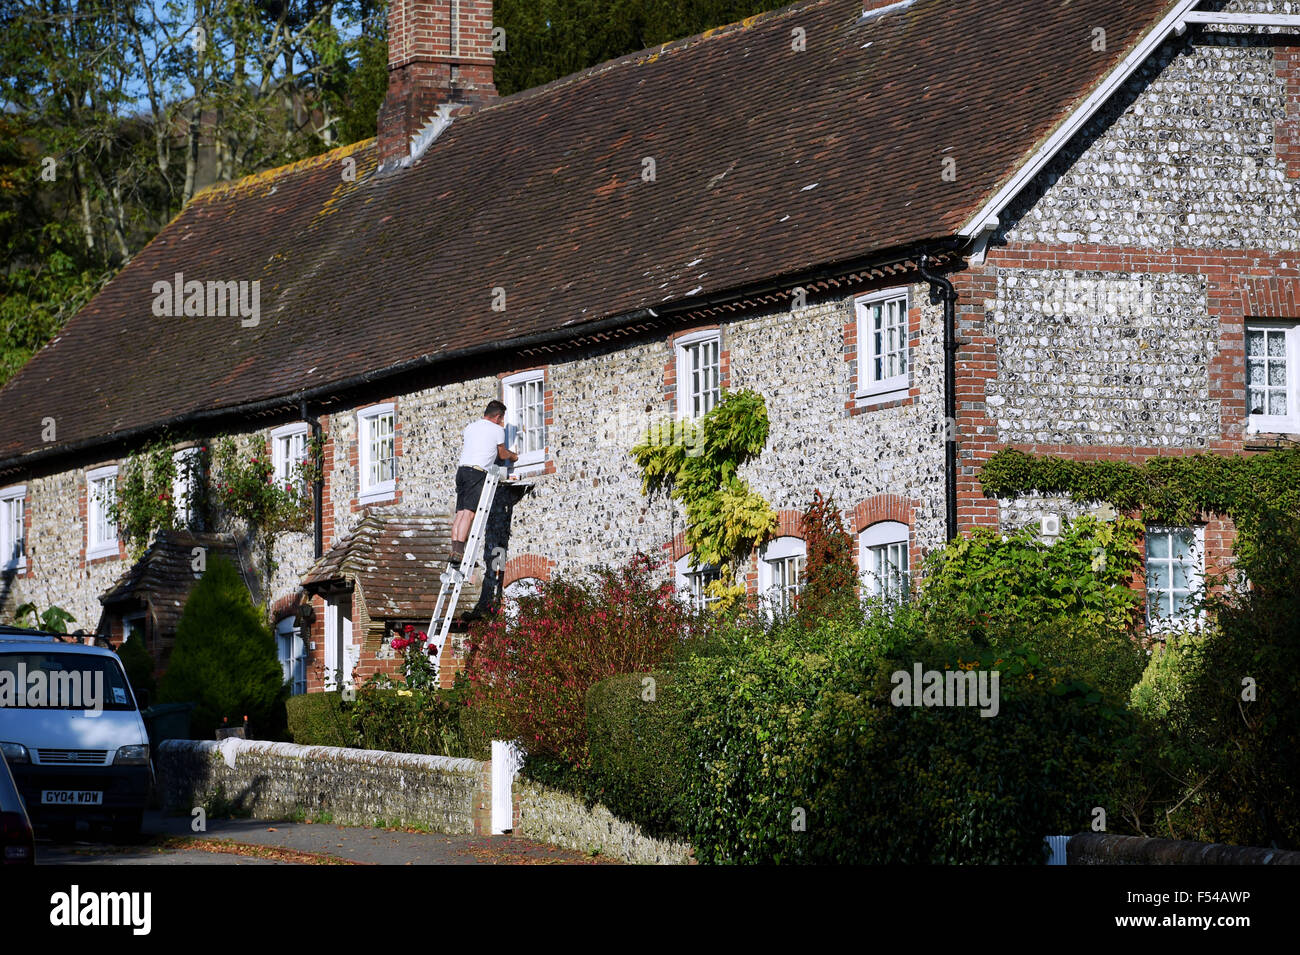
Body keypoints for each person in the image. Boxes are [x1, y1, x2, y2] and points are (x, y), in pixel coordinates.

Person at [452, 400, 518, 565]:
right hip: (476, 472)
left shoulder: (470, 427)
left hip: (462, 471)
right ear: (496, 416)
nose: (502, 422)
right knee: (469, 513)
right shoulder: (497, 429)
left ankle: (455, 551)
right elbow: (502, 454)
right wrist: (514, 456)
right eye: (502, 418)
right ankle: (460, 554)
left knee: (460, 513)